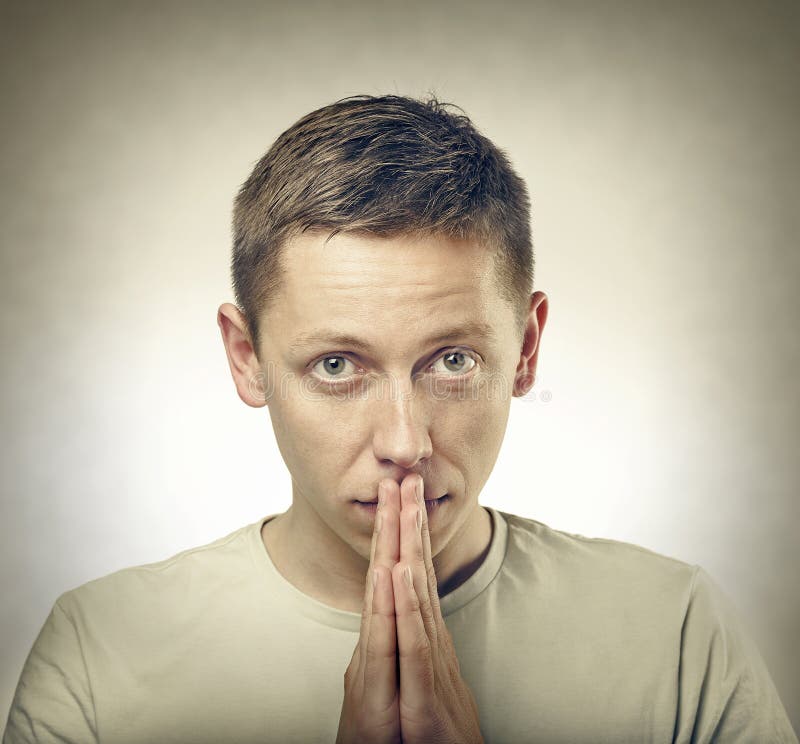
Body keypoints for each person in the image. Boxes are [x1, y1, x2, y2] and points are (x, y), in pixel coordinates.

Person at [3, 95, 796, 744]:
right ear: (247, 359)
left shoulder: (674, 630)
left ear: (525, 350)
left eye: (452, 361)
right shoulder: (99, 652)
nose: (404, 443)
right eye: (336, 366)